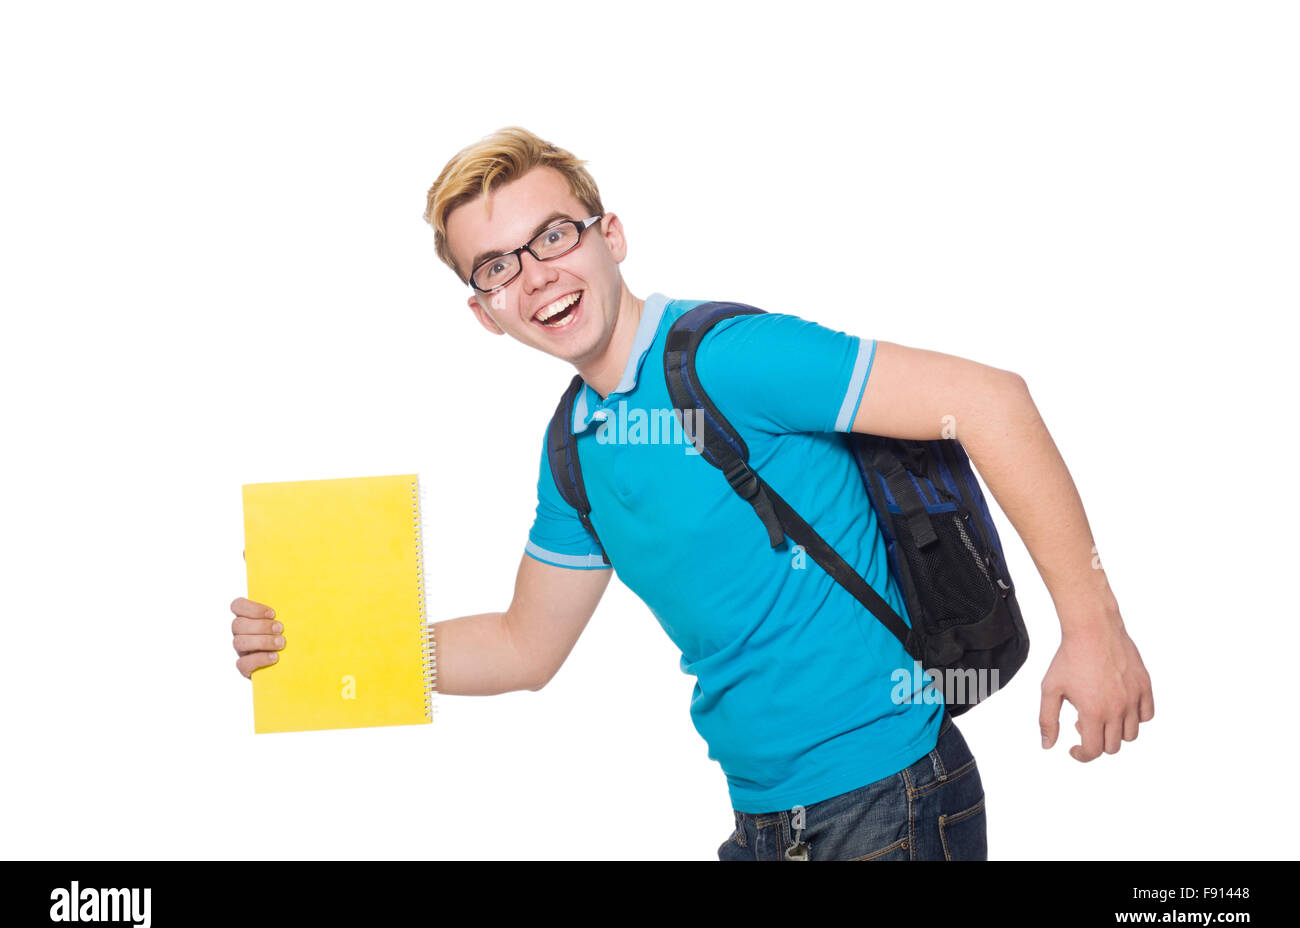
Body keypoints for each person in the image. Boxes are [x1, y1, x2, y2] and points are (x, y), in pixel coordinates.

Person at [229, 126, 1155, 861]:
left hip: (892, 806)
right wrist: (318, 646)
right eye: (498, 265)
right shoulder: (576, 451)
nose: (537, 273)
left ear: (610, 235)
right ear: (484, 311)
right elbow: (522, 646)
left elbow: (988, 400)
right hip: (763, 824)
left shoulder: (726, 360)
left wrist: (1094, 626)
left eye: (551, 235)